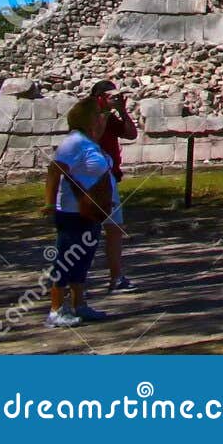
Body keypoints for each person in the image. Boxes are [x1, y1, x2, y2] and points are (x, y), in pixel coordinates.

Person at [43, 97, 114, 328]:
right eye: (97, 115)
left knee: (83, 261)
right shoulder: (73, 143)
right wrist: (49, 203)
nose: (101, 119)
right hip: (73, 212)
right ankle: (56, 309)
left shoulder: (89, 143)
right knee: (65, 260)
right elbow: (55, 171)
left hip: (91, 212)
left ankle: (79, 305)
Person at [90, 80, 137, 292]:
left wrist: (122, 112)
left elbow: (131, 134)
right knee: (85, 232)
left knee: (114, 229)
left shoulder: (112, 117)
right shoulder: (87, 115)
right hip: (89, 179)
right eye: (110, 96)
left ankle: (116, 277)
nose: (114, 100)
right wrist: (105, 113)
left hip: (109, 178)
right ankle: (72, 282)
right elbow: (93, 137)